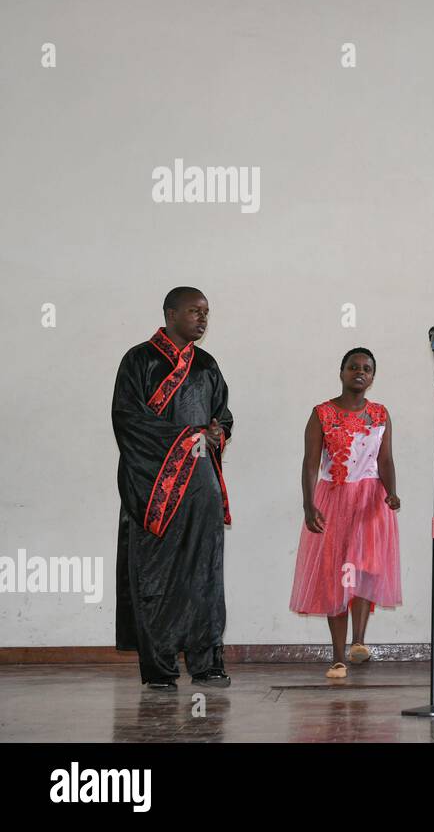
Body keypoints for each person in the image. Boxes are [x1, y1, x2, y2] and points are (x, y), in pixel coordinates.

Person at [113, 287, 233, 690]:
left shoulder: (206, 364)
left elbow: (223, 415)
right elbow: (128, 421)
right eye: (194, 311)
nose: (202, 318)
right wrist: (188, 435)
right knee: (155, 577)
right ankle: (160, 669)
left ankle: (207, 662)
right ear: (170, 313)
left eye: (206, 313)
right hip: (154, 489)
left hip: (201, 484)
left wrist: (217, 431)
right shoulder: (139, 360)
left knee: (205, 573)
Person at [290, 348, 402, 679]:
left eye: (367, 369)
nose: (360, 372)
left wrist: (392, 492)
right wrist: (309, 504)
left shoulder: (381, 414)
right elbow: (311, 462)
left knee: (365, 569)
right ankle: (337, 657)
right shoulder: (322, 413)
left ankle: (359, 642)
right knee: (335, 575)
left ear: (372, 377)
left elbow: (385, 460)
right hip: (333, 498)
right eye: (353, 367)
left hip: (370, 499)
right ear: (341, 372)